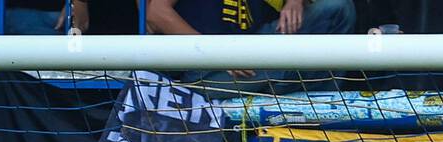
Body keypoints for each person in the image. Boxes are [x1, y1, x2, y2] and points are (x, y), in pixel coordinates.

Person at [148, 0, 357, 94]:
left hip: (250, 52)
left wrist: (295, 1)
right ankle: (315, 113)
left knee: (337, 8)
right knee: (299, 67)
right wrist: (215, 53)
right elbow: (156, 13)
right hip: (206, 72)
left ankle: (324, 114)